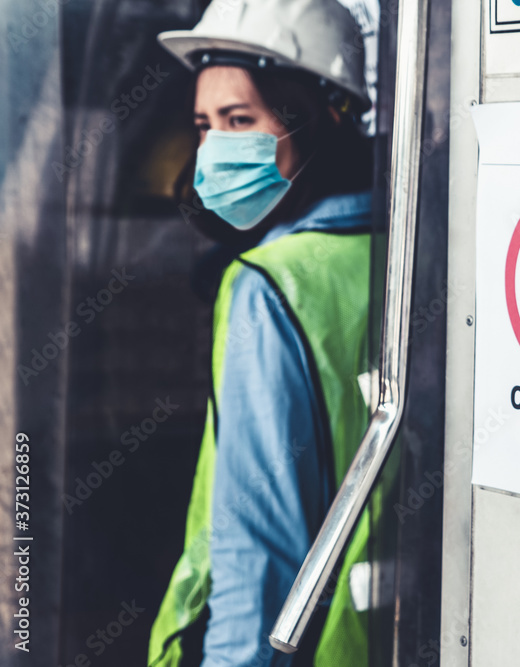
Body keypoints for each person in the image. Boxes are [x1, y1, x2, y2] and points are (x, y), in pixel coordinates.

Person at [147, 1, 375, 665]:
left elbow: (255, 554)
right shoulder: (404, 251)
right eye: (204, 125)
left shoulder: (266, 286)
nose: (216, 147)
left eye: (241, 120)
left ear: (321, 114)